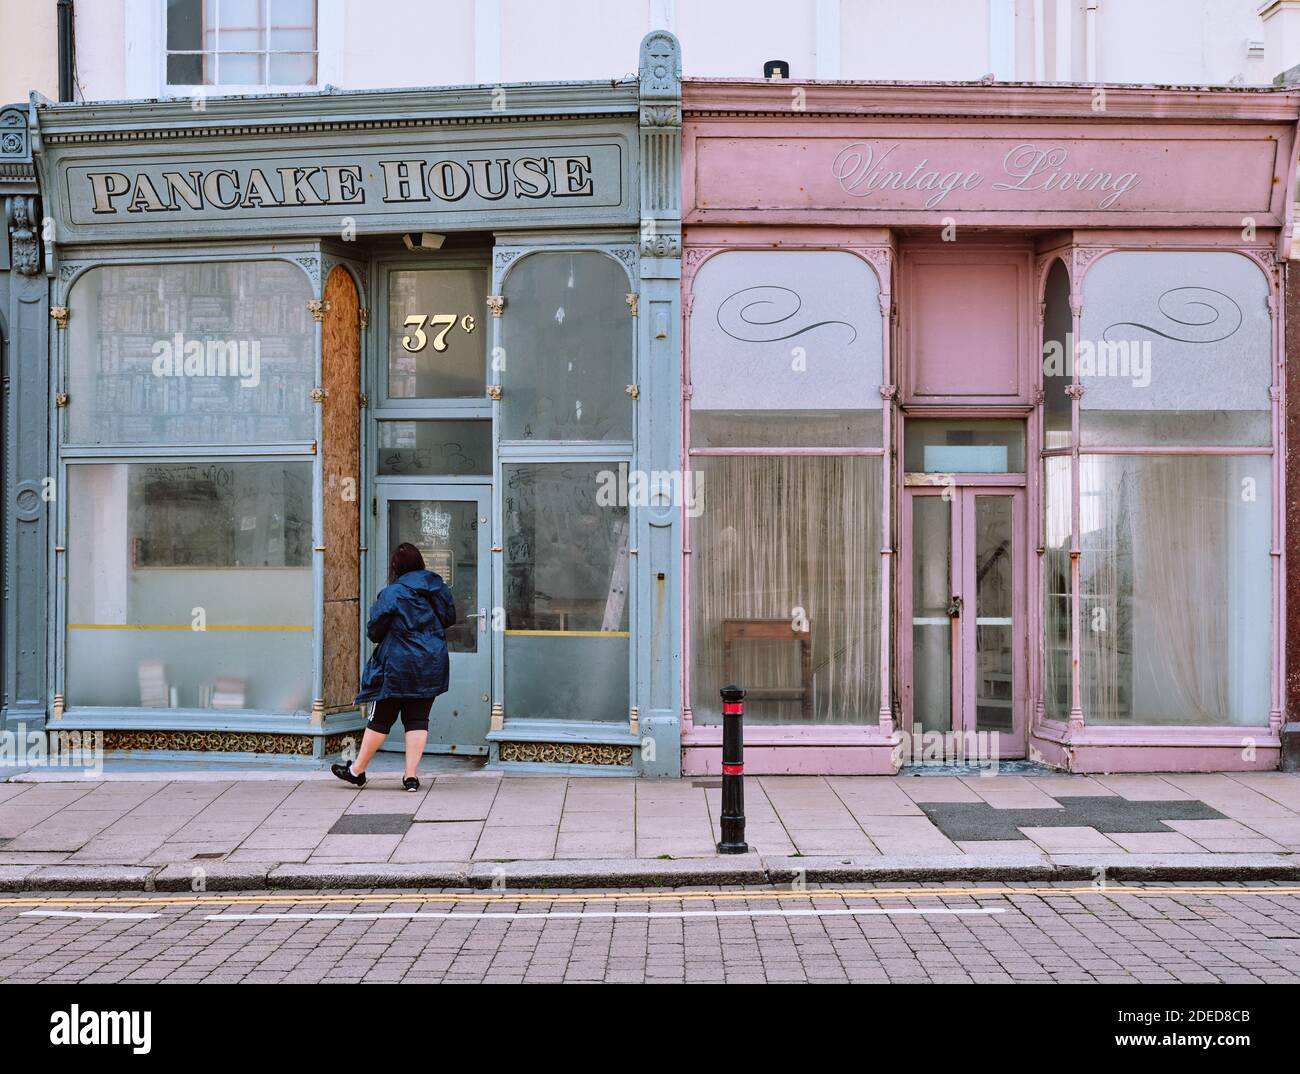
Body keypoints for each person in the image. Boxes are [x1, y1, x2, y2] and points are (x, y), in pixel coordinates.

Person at [332, 542, 456, 791]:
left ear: (396, 567)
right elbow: (449, 619)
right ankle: (411, 777)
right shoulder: (438, 587)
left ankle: (357, 771)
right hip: (430, 662)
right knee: (418, 719)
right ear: (420, 563)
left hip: (397, 666)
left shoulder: (392, 592)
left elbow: (375, 630)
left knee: (380, 718)